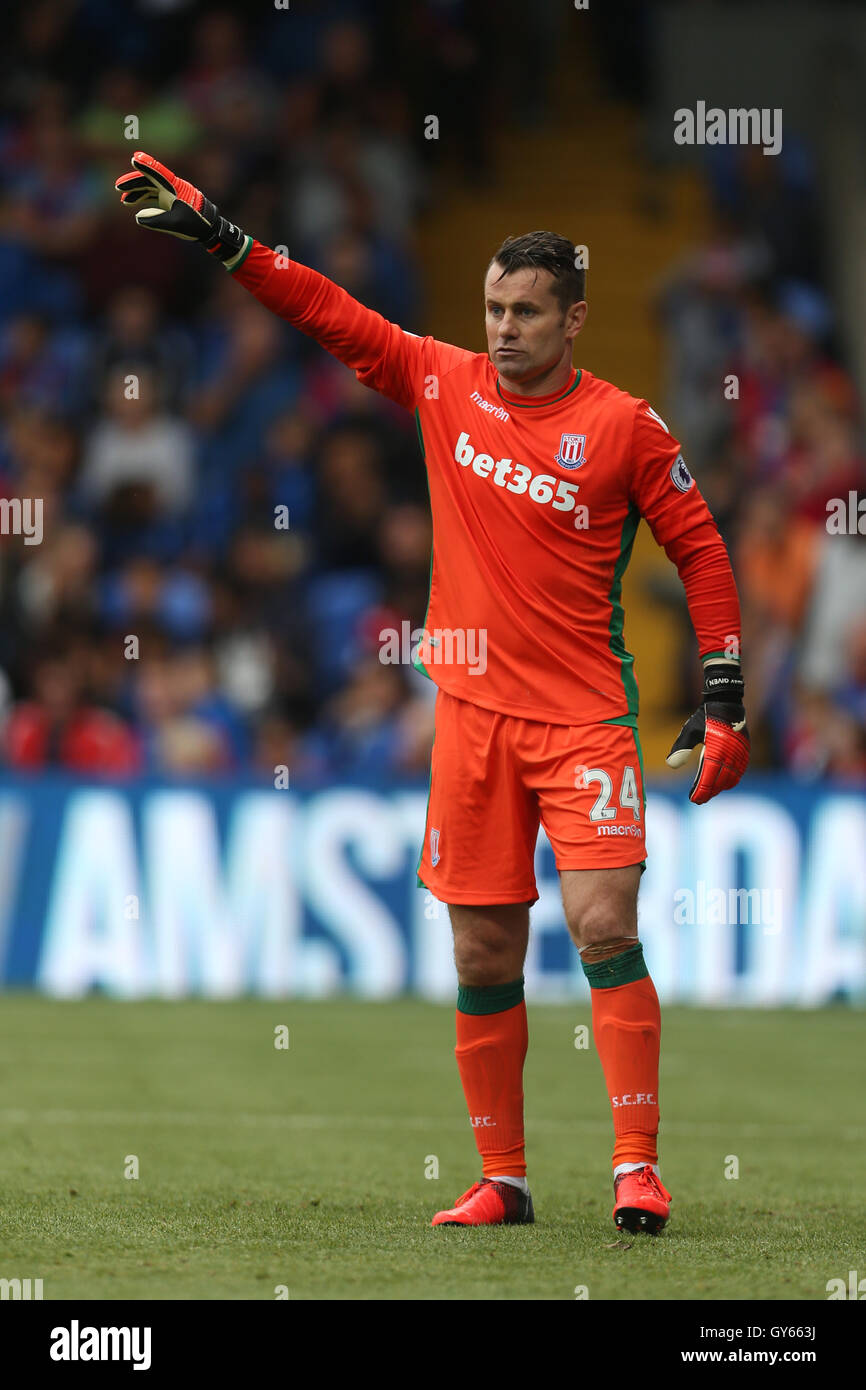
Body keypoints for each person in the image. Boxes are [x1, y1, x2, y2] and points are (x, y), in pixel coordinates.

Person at [115, 152, 750, 1234]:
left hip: (585, 717)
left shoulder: (626, 428)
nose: (502, 329)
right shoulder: (440, 381)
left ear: (573, 320)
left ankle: (634, 1166)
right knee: (480, 950)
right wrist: (222, 235)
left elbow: (698, 549)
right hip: (468, 717)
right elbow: (327, 310)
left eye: (526, 312)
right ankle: (500, 1178)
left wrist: (724, 695)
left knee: (601, 922)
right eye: (493, 308)